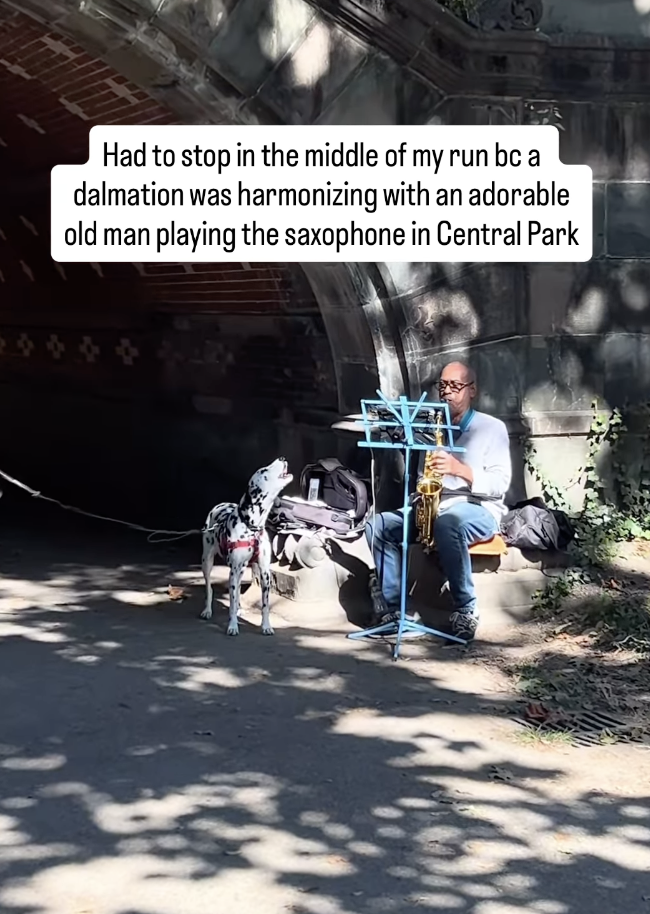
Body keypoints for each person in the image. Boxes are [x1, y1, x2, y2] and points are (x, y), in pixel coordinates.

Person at [365, 361, 512, 641]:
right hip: (434, 505)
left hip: (478, 508)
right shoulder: (431, 427)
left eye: (455, 386)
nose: (447, 393)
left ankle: (466, 610)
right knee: (379, 526)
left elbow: (499, 484)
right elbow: (425, 477)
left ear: (472, 391)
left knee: (448, 524)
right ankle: (394, 611)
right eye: (442, 386)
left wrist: (460, 470)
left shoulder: (492, 428)